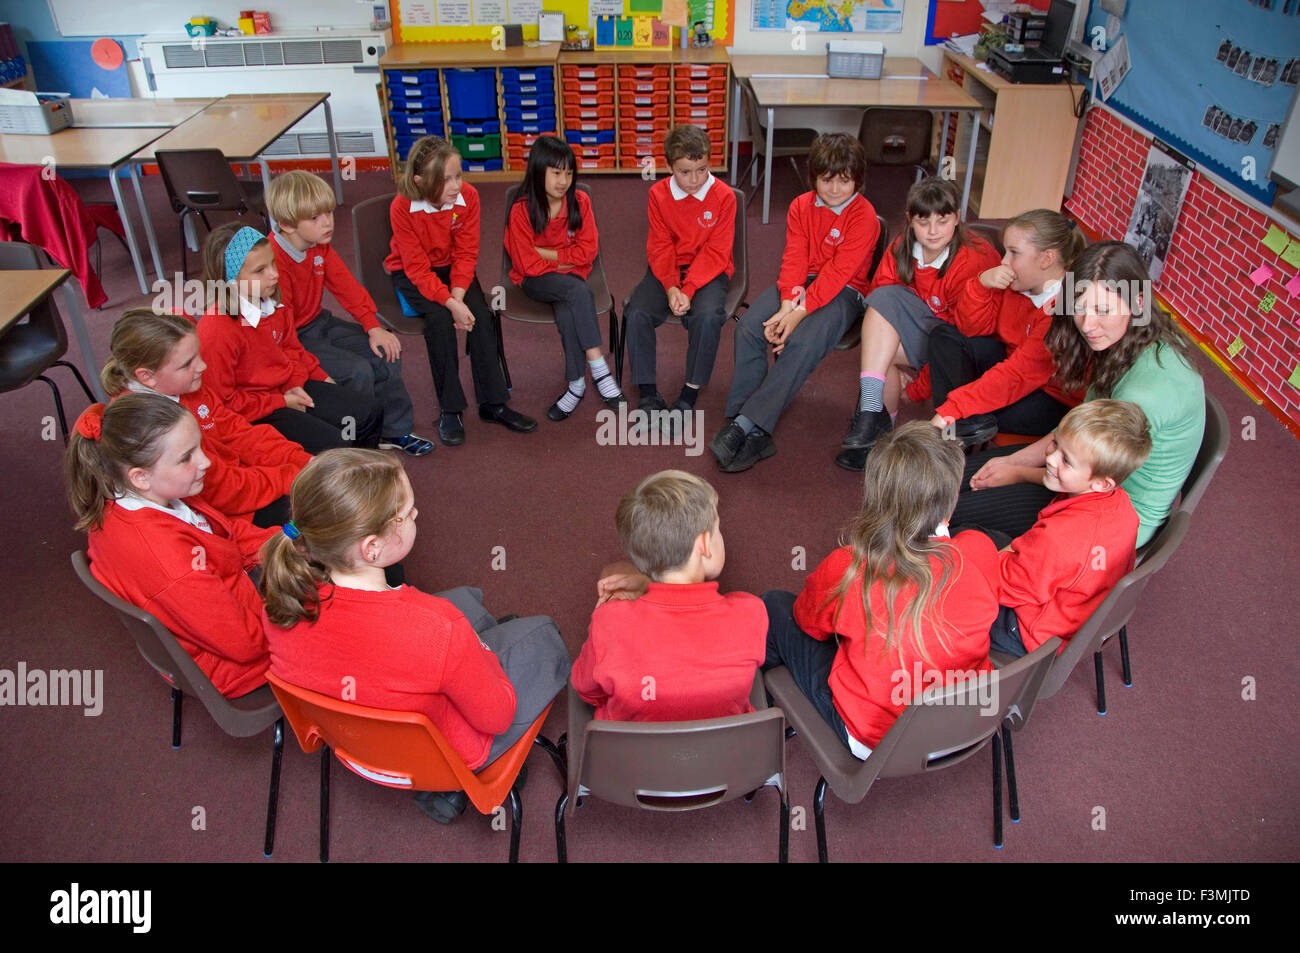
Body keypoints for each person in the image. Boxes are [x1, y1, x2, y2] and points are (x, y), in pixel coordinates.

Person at [260, 449, 570, 823]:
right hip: (450, 753)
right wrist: (479, 651)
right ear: (371, 547)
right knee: (541, 634)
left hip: (355, 745)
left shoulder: (279, 605)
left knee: (464, 603)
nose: (416, 515)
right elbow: (497, 717)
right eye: (407, 513)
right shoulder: (438, 626)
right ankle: (450, 785)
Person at [762, 422, 999, 758]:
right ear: (952, 496)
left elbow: (808, 622)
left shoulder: (849, 567)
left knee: (774, 605)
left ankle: (753, 706)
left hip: (874, 738)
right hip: (964, 720)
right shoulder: (979, 550)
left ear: (875, 495)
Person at [951, 241, 1205, 547]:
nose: (1087, 324)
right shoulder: (1129, 338)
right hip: (1080, 468)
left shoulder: (1144, 395)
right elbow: (1075, 428)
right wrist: (1016, 460)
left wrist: (1018, 472)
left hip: (1108, 513)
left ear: (1138, 303)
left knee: (950, 514)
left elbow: (1085, 479)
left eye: (1103, 310)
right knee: (951, 479)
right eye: (1080, 308)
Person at [66, 396, 273, 698]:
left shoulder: (149, 494)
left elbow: (222, 533)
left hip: (231, 595)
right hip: (239, 662)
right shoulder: (168, 559)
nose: (206, 462)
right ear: (140, 476)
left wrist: (279, 542)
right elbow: (247, 644)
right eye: (187, 457)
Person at [710, 133, 880, 473]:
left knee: (799, 343)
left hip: (845, 292)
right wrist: (788, 304)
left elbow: (838, 274)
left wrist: (798, 315)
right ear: (814, 177)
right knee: (749, 330)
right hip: (801, 286)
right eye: (826, 180)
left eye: (844, 181)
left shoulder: (865, 216)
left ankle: (747, 425)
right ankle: (747, 418)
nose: (834, 189)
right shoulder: (801, 205)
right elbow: (794, 259)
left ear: (857, 180)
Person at [572, 470, 766, 721]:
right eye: (718, 529)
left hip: (632, 755)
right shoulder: (751, 612)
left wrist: (641, 592)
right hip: (727, 753)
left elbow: (587, 691)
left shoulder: (609, 622)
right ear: (705, 544)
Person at [835, 177, 1000, 470]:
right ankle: (876, 424)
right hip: (925, 333)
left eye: (943, 220)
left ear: (958, 218)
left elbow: (964, 335)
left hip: (958, 346)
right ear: (910, 219)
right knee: (883, 313)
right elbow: (881, 301)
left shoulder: (975, 258)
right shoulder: (902, 246)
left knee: (877, 353)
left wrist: (917, 387)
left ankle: (872, 420)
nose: (933, 231)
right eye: (923, 221)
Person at [266, 170, 433, 456]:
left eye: (329, 213)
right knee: (357, 372)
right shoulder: (273, 261)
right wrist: (314, 370)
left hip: (319, 322)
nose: (328, 222)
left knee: (386, 350)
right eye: (315, 217)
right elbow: (282, 333)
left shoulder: (319, 245)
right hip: (292, 337)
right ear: (286, 224)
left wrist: (373, 326)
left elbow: (346, 286)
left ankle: (394, 431)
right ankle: (358, 445)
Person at [383, 137, 536, 446]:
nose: (456, 185)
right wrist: (450, 304)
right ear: (420, 180)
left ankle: (493, 403)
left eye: (458, 176)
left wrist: (459, 296)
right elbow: (416, 269)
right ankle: (450, 409)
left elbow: (466, 254)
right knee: (438, 321)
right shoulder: (402, 207)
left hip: (453, 269)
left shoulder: (469, 197)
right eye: (445, 180)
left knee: (480, 314)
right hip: (413, 273)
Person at [100, 308, 310, 527]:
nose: (202, 366)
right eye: (187, 364)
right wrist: (290, 477)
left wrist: (301, 461)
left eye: (197, 355)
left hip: (239, 483)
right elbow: (221, 490)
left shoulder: (184, 384)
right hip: (224, 513)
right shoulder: (150, 427)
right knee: (321, 512)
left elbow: (237, 431)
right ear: (146, 376)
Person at [197, 223, 383, 453]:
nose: (274, 274)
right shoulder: (216, 329)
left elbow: (291, 349)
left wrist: (296, 383)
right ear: (230, 279)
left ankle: (367, 475)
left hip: (287, 389)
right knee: (335, 443)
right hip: (254, 411)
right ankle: (344, 482)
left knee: (369, 412)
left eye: (273, 263)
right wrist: (281, 402)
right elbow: (223, 404)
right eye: (260, 270)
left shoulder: (274, 302)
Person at [990, 400, 1151, 659]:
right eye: (1055, 443)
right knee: (979, 538)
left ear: (1100, 483)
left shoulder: (1060, 539)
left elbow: (1003, 587)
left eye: (1066, 460)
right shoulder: (1123, 506)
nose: (1050, 458)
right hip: (1069, 614)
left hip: (1026, 630)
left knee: (946, 584)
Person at [924, 209, 1087, 445]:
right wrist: (981, 285)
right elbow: (971, 330)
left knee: (986, 412)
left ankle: (956, 426)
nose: (1004, 262)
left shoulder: (1062, 311)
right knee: (945, 336)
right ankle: (961, 425)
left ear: (1047, 259)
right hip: (1015, 366)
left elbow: (1019, 374)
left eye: (1014, 253)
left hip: (1053, 397)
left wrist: (953, 409)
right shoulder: (1018, 284)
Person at [504, 135, 624, 421]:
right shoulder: (522, 209)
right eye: (556, 173)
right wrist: (564, 259)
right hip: (535, 281)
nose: (564, 181)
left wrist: (546, 253)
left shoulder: (580, 200)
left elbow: (587, 252)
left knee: (568, 307)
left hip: (569, 281)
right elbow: (527, 264)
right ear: (538, 171)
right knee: (578, 293)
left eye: (569, 173)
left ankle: (576, 384)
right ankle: (599, 367)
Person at [623, 125, 736, 422]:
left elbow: (717, 251)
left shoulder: (724, 197)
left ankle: (689, 393)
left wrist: (690, 288)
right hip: (669, 267)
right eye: (685, 172)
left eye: (701, 170)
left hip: (710, 269)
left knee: (708, 316)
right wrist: (672, 286)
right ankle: (648, 392)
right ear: (670, 167)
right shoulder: (658, 194)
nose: (695, 180)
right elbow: (660, 247)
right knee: (636, 312)